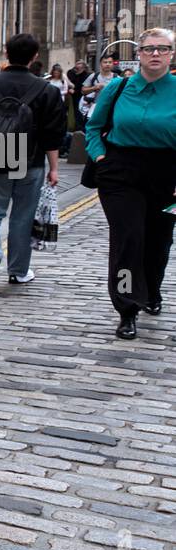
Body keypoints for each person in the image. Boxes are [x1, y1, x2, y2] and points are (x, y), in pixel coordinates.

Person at [85, 27, 176, 340]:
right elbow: (94, 128)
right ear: (138, 54)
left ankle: (151, 291)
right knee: (128, 240)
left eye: (162, 49)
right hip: (120, 173)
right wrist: (100, 159)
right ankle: (126, 308)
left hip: (168, 175)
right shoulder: (119, 87)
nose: (155, 54)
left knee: (159, 241)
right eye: (149, 48)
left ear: (171, 54)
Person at [0, 33, 65, 291]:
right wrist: (54, 168)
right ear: (35, 57)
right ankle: (18, 272)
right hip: (30, 162)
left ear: (5, 53)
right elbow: (53, 135)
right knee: (23, 216)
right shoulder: (48, 91)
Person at [79, 54, 117, 122]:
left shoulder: (117, 78)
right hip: (94, 108)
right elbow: (83, 90)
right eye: (105, 62)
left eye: (110, 62)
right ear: (100, 64)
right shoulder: (93, 76)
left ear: (113, 64)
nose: (107, 64)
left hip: (111, 108)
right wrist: (94, 88)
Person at [46, 63, 72, 157]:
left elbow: (66, 90)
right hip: (51, 102)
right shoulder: (49, 80)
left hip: (60, 101)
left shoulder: (62, 81)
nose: (56, 73)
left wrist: (57, 92)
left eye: (58, 72)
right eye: (55, 72)